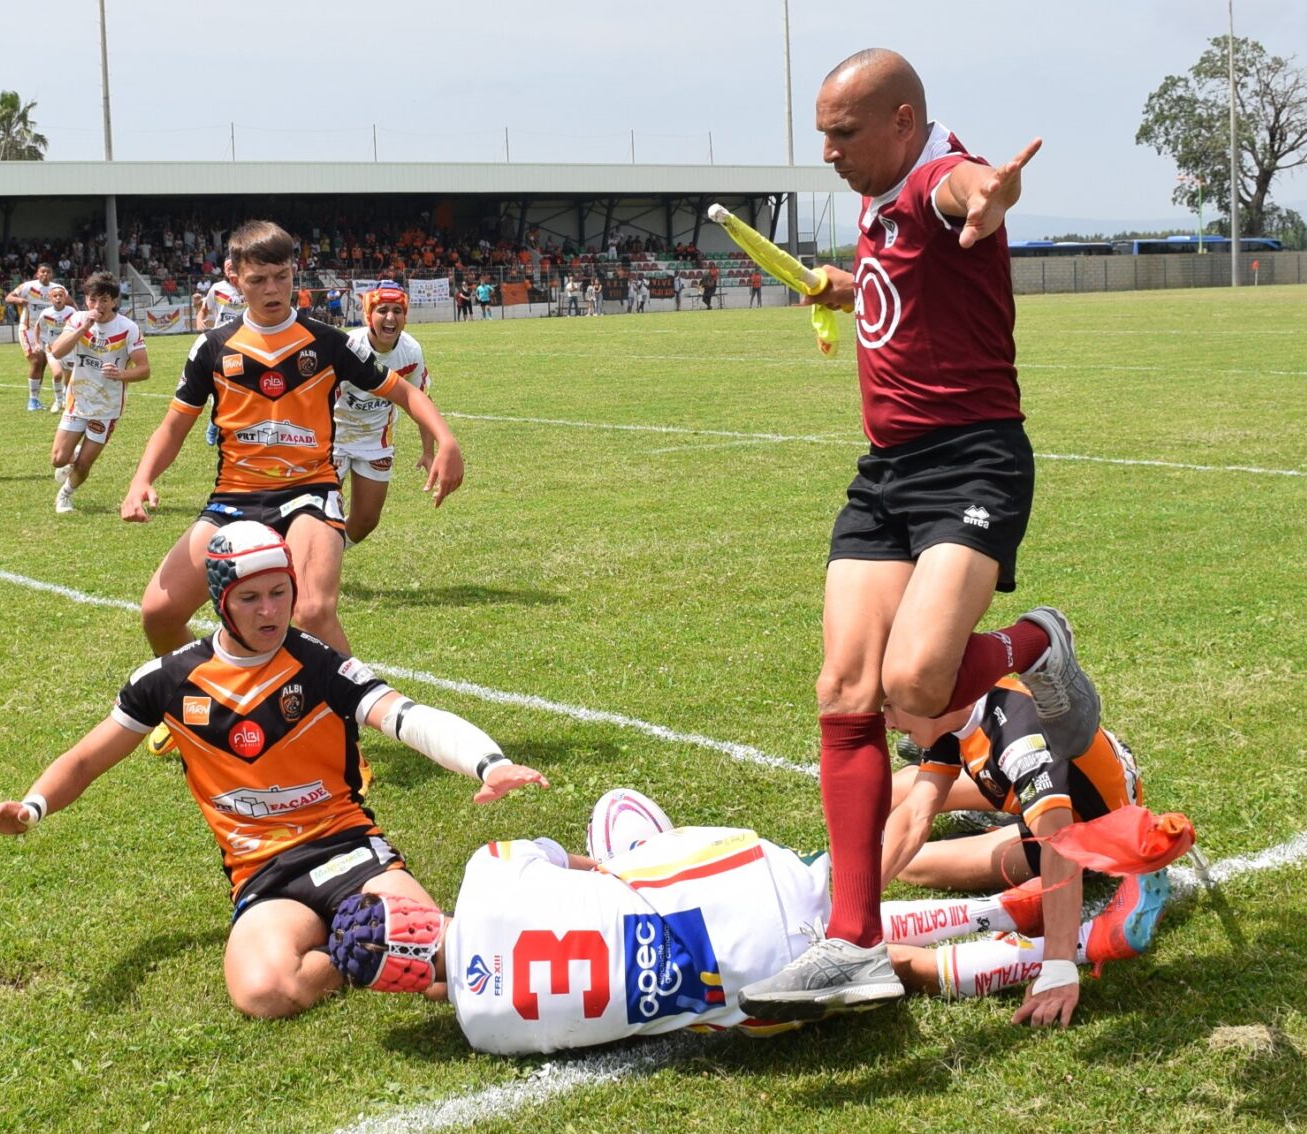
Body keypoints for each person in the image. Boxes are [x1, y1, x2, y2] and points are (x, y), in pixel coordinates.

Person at [736, 49, 1083, 1024]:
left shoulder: (935, 177)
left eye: (842, 133)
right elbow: (914, 278)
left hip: (973, 463)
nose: (827, 151)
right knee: (846, 693)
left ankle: (1035, 642)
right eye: (822, 133)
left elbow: (969, 193)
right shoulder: (883, 193)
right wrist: (849, 288)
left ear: (900, 119)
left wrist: (995, 193)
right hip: (887, 473)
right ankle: (852, 941)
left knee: (917, 687)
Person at [0, 521, 548, 1019]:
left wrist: (487, 763)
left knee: (441, 969)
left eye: (280, 592)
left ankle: (548, 886)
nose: (270, 611)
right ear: (221, 602)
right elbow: (85, 758)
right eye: (251, 599)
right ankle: (356, 946)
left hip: (347, 850)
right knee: (266, 992)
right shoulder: (167, 681)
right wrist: (32, 808)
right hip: (264, 875)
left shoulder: (318, 662)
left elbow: (406, 717)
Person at [326, 789, 1169, 1053]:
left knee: (880, 958)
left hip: (760, 1005)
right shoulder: (484, 873)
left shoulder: (483, 1032)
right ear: (406, 913)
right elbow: (586, 864)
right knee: (619, 822)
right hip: (750, 890)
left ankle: (1056, 941)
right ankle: (1008, 902)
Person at [120, 220, 462, 668]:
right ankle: (202, 697)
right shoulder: (212, 348)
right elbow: (174, 425)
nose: (271, 289)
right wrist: (140, 479)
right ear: (233, 276)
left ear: (294, 272)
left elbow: (406, 392)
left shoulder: (327, 342)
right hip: (234, 499)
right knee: (159, 614)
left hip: (310, 494)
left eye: (281, 277)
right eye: (258, 279)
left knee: (313, 612)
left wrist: (446, 440)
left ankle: (345, 725)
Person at [879, 676, 1147, 1026]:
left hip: (1093, 833)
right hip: (1055, 775)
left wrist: (1058, 969)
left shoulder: (1020, 741)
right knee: (886, 793)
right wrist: (856, 904)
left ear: (924, 696)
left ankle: (1008, 818)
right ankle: (1006, 805)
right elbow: (915, 812)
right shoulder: (953, 700)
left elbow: (1060, 846)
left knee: (913, 866)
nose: (887, 722)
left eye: (889, 707)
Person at [336, 282, 436, 547]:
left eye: (397, 311)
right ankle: (309, 565)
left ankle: (327, 551)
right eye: (382, 310)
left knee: (366, 521)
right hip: (333, 438)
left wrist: (428, 452)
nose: (390, 317)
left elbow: (421, 401)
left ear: (405, 317)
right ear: (369, 315)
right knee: (322, 516)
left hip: (376, 441)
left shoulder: (411, 351)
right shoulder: (348, 347)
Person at [47, 273, 150, 514]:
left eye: (104, 300)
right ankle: (70, 457)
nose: (98, 306)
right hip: (78, 400)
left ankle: (65, 495)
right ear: (85, 301)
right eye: (92, 300)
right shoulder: (78, 320)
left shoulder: (128, 328)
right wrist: (83, 327)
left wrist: (120, 374)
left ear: (114, 301)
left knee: (85, 463)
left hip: (107, 407)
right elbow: (57, 351)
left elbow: (145, 370)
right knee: (58, 459)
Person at [197, 274, 248, 446]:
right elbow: (204, 310)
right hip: (221, 342)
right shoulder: (216, 288)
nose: (230, 268)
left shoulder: (249, 284)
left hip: (246, 340)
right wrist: (200, 320)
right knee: (222, 382)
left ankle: (229, 422)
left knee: (241, 384)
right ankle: (215, 420)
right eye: (227, 265)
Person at [5, 263, 56, 411]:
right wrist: (18, 300)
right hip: (28, 329)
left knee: (43, 363)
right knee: (36, 360)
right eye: (42, 272)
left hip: (46, 331)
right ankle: (32, 401)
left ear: (51, 274)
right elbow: (9, 297)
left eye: (48, 272)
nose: (45, 274)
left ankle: (36, 399)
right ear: (37, 274)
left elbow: (70, 303)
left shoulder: (56, 289)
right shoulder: (28, 287)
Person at [32, 283, 77, 414]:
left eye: (61, 295)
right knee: (57, 374)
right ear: (50, 298)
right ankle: (58, 401)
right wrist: (36, 343)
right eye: (55, 296)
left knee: (68, 380)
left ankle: (65, 399)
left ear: (65, 297)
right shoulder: (46, 313)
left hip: (69, 349)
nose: (58, 298)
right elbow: (37, 327)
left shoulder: (71, 312)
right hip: (52, 349)